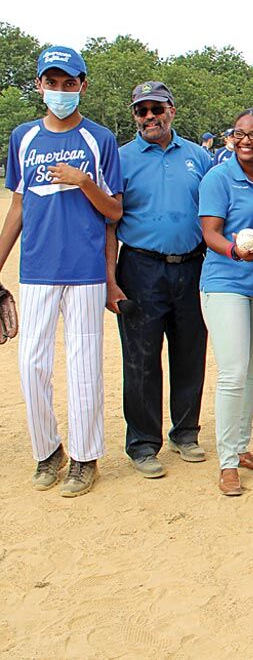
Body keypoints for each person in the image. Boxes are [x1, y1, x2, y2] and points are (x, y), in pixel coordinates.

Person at [0, 46, 123, 497]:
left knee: (84, 365)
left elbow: (115, 211)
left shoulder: (99, 139)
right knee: (31, 364)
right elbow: (17, 205)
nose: (60, 90)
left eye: (69, 83)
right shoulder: (23, 138)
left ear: (82, 86)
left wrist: (84, 181)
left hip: (86, 270)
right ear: (39, 85)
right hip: (36, 268)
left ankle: (85, 458)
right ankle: (47, 451)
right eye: (51, 82)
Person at [106, 81, 213, 478]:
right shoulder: (120, 159)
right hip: (140, 267)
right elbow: (108, 223)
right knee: (141, 358)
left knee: (190, 351)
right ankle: (143, 443)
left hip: (191, 264)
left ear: (172, 109)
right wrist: (109, 279)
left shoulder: (199, 157)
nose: (149, 117)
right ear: (135, 115)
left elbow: (215, 212)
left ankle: (185, 432)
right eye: (141, 111)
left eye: (157, 108)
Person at [198, 108, 253, 496]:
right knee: (232, 372)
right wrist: (236, 251)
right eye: (239, 134)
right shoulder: (219, 177)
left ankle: (242, 445)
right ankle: (227, 463)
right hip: (225, 281)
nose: (246, 140)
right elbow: (209, 233)